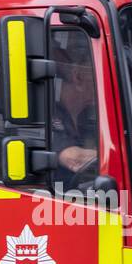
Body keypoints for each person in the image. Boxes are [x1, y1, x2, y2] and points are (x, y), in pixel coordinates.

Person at [49, 34, 99, 188]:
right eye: (98, 75)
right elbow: (73, 159)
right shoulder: (48, 113)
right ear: (77, 77)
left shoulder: (89, 117)